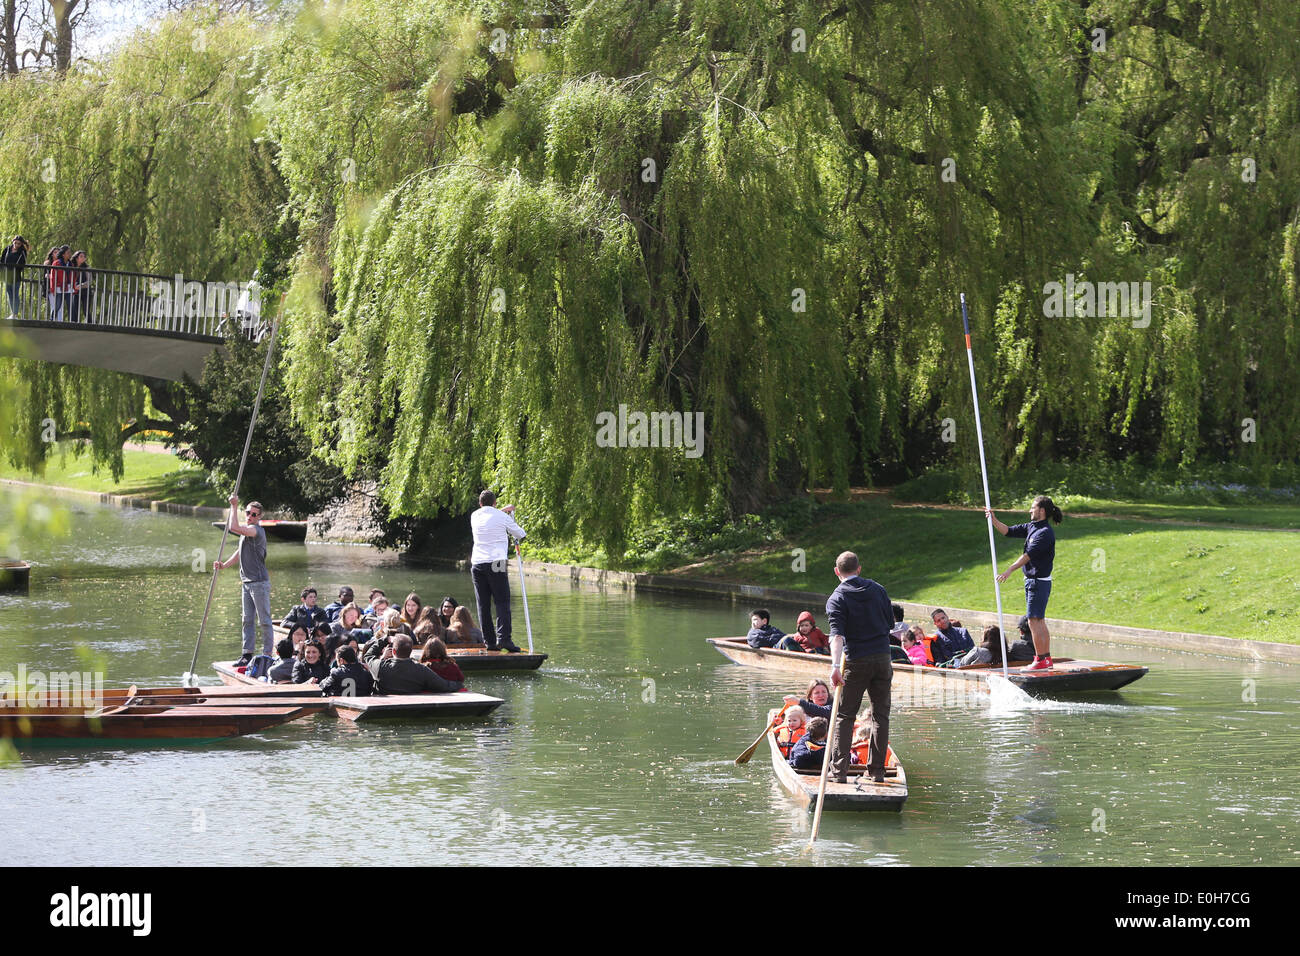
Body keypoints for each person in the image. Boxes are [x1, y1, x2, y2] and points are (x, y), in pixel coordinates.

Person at [826, 551, 893, 784]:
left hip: (855, 661)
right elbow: (890, 624)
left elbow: (836, 637)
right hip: (883, 658)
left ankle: (839, 773)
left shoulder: (836, 598)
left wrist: (835, 666)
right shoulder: (878, 589)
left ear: (837, 572)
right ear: (859, 569)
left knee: (844, 716)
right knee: (880, 716)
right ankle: (876, 772)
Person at [986, 496, 1064, 671]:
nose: (1030, 510)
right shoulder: (1032, 527)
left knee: (1033, 622)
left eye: (1033, 507)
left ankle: (1040, 659)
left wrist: (1009, 570)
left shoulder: (1044, 533)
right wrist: (993, 519)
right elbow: (1007, 531)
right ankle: (1046, 659)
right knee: (1038, 621)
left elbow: (1028, 554)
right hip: (1035, 582)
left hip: (1038, 582)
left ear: (1042, 511)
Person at [213, 495, 273, 666]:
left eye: (254, 514)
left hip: (259, 582)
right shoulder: (246, 531)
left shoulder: (256, 530)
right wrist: (224, 565)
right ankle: (247, 654)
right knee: (247, 619)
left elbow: (232, 526)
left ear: (259, 517)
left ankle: (267, 655)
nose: (250, 516)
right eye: (248, 513)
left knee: (264, 620)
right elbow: (239, 553)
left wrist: (234, 506)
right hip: (247, 582)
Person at [469, 490, 526, 652]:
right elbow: (520, 534)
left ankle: (490, 642)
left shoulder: (474, 516)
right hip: (497, 563)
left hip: (478, 564)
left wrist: (501, 511)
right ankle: (505, 639)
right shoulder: (502, 517)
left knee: (483, 604)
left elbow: (489, 515)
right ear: (495, 503)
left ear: (480, 504)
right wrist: (506, 513)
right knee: (502, 601)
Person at [374, 635, 464, 694]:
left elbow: (368, 656)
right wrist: (458, 685)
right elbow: (444, 685)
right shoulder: (422, 669)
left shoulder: (380, 666)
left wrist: (385, 639)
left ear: (393, 651)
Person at [3, 235, 28, 319]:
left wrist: (16, 268)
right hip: (7, 275)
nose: (16, 245)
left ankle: (15, 314)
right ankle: (12, 313)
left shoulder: (22, 252)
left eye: (18, 243)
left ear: (21, 244)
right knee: (9, 294)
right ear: (13, 242)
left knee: (15, 294)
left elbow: (23, 263)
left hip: (16, 275)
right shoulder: (7, 249)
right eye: (15, 243)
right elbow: (2, 259)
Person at [46, 246, 69, 321]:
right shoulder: (49, 263)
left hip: (61, 287)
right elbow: (46, 276)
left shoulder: (64, 263)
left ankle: (59, 320)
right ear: (52, 254)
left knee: (60, 306)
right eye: (55, 252)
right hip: (51, 287)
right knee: (55, 305)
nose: (57, 253)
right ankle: (52, 319)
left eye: (58, 252)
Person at [68, 251, 91, 322]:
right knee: (75, 309)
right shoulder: (72, 267)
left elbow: (89, 281)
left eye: (84, 256)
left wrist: (81, 285)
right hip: (75, 291)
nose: (83, 258)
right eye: (81, 256)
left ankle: (91, 324)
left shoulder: (87, 268)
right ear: (76, 258)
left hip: (86, 291)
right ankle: (74, 324)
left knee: (85, 310)